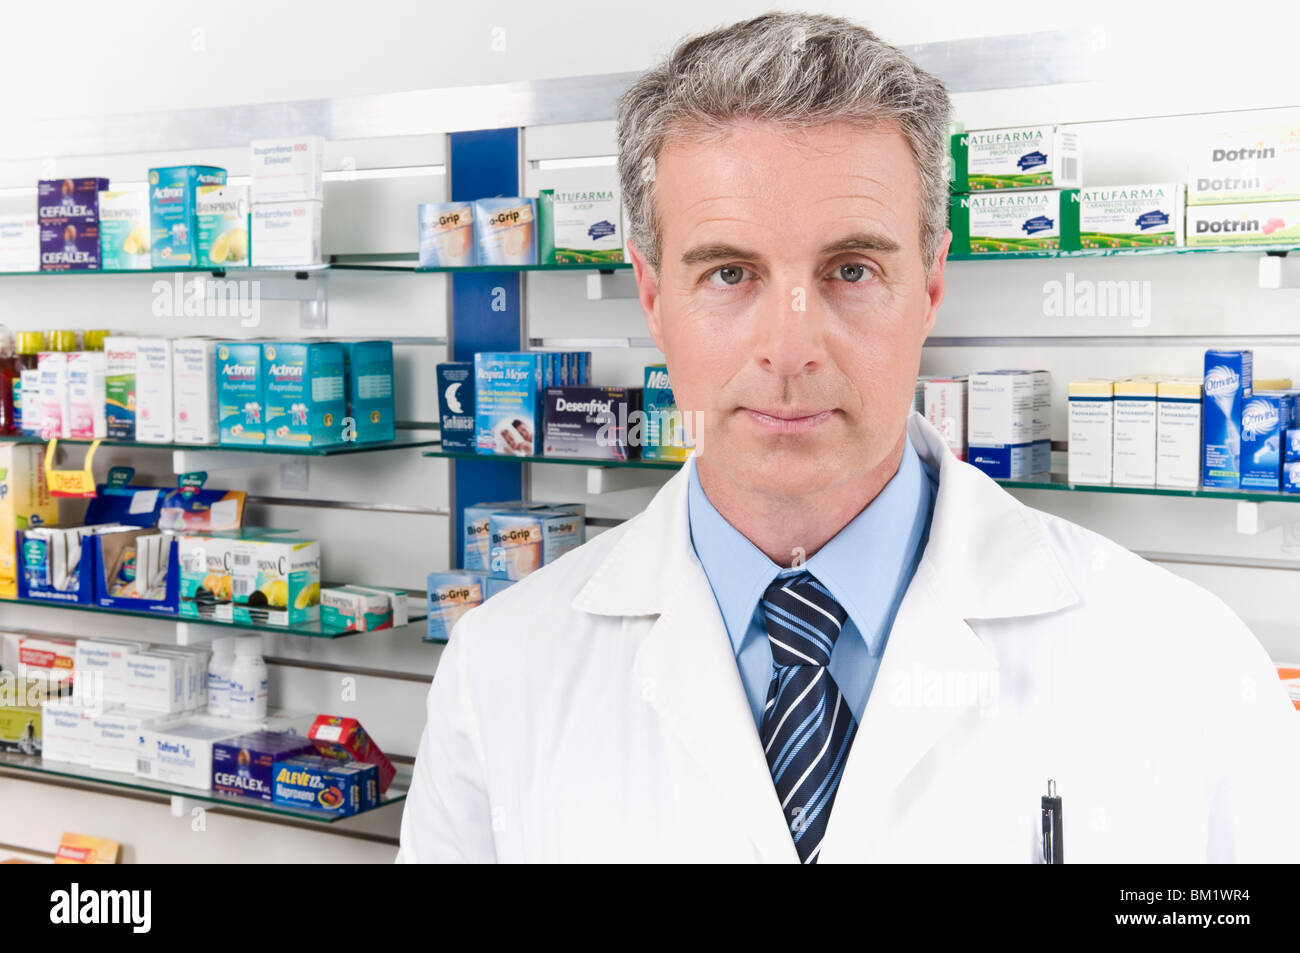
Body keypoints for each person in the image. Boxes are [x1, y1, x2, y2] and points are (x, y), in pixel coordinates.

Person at [397, 12, 1300, 863]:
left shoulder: (1182, 666)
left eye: (853, 269)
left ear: (932, 283)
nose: (790, 348)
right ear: (653, 295)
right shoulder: (502, 674)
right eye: (729, 272)